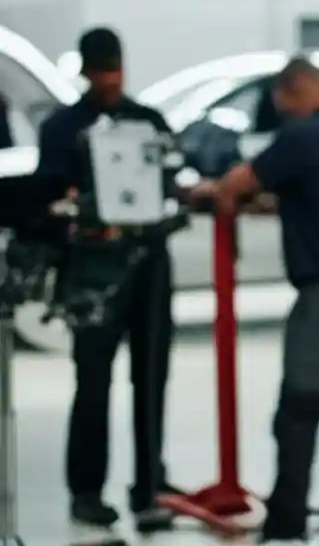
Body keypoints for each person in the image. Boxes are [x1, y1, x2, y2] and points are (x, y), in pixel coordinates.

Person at [194, 56, 319, 542]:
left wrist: (206, 190)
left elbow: (236, 184)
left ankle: (286, 525)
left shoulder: (300, 136)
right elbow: (312, 195)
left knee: (298, 412)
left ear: (290, 92)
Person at [33, 27, 180, 531]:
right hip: (93, 270)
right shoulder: (61, 129)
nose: (111, 79)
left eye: (117, 69)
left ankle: (149, 487)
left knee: (152, 378)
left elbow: (170, 183)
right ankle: (86, 491)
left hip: (149, 266)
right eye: (102, 71)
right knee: (92, 382)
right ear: (87, 71)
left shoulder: (147, 122)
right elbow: (47, 197)